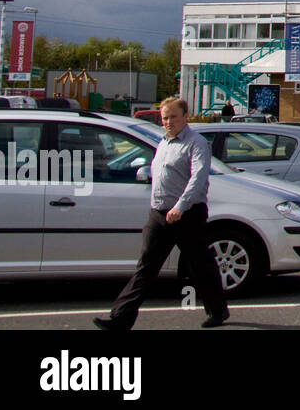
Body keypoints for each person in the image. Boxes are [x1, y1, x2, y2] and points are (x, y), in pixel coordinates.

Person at [94, 97, 228, 330]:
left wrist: (180, 206)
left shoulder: (196, 143)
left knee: (200, 264)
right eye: (165, 118)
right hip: (160, 214)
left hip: (188, 213)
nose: (168, 122)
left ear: (185, 116)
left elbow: (198, 179)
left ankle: (218, 311)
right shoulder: (164, 143)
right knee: (146, 266)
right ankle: (120, 319)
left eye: (173, 117)